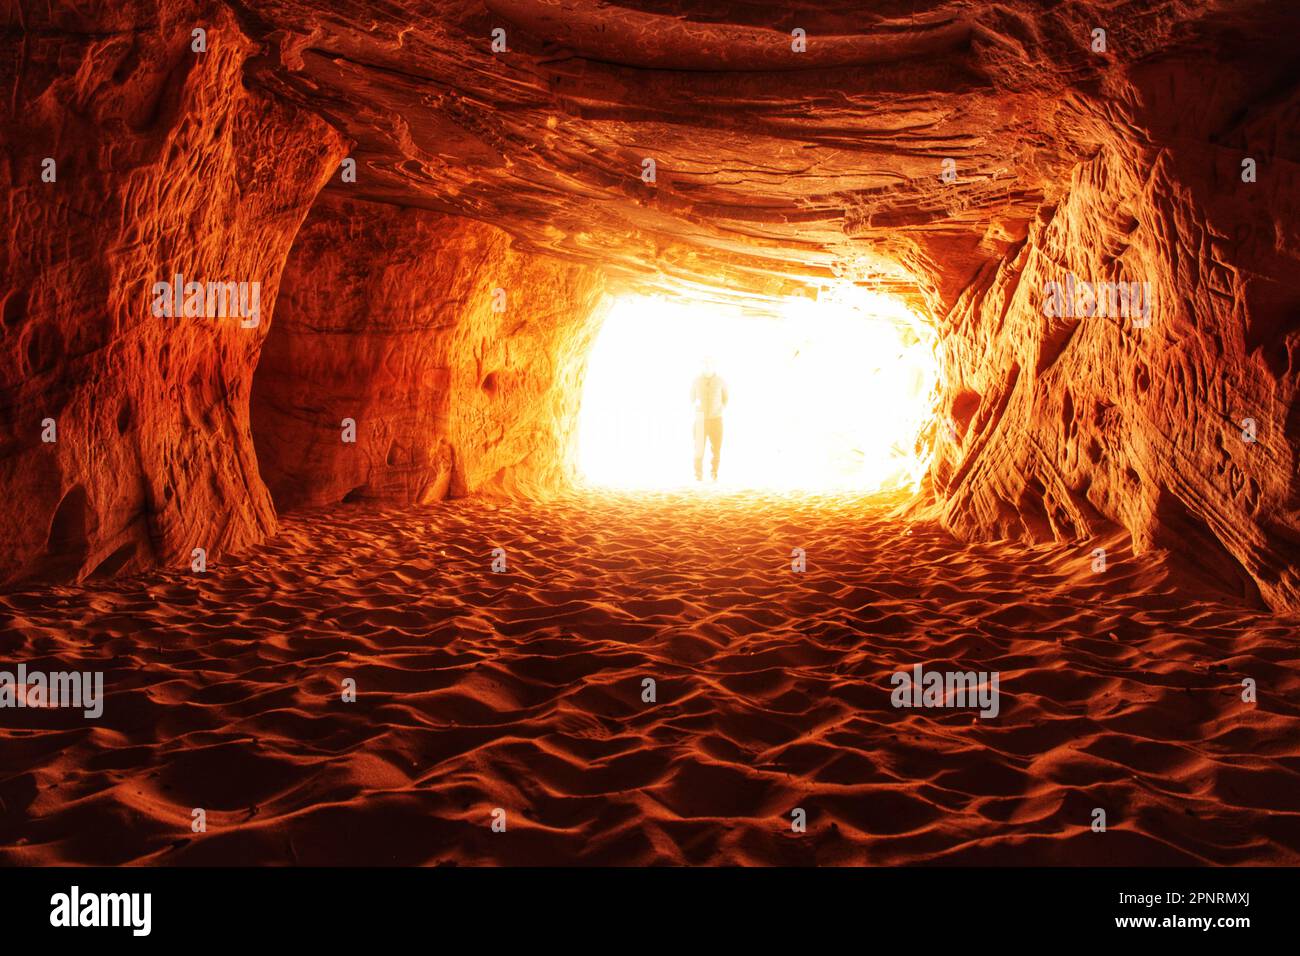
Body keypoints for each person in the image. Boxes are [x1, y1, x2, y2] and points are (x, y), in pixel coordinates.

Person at [691, 356, 728, 481]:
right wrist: (696, 408)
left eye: (710, 363)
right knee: (699, 449)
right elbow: (691, 398)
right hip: (700, 419)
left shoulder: (721, 381)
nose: (708, 365)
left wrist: (720, 409)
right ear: (701, 364)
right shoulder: (696, 381)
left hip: (716, 419)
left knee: (716, 449)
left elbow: (726, 398)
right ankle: (698, 475)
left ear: (714, 364)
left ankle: (714, 473)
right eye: (705, 363)